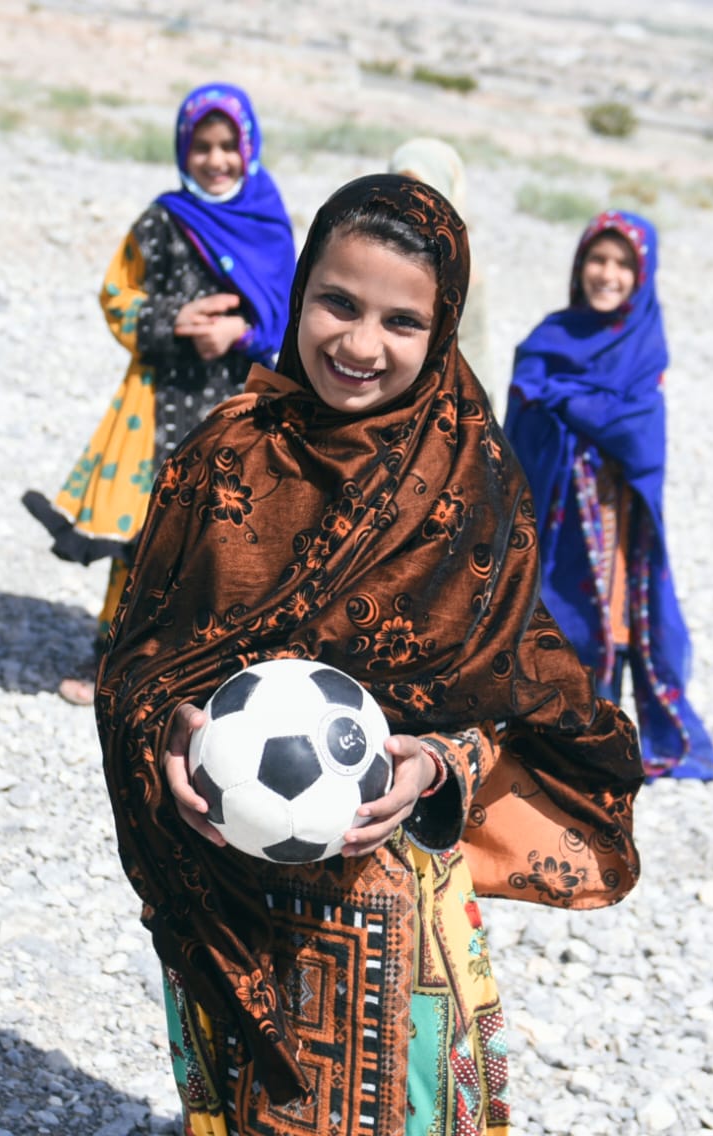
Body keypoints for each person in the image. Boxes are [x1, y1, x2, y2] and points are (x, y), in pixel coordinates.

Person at [96, 175, 644, 1136]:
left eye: (402, 321)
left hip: (395, 896)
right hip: (227, 885)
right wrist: (167, 731)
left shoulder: (469, 480)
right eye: (338, 303)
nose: (359, 345)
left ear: (444, 328)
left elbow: (516, 694)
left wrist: (437, 762)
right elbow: (137, 657)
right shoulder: (224, 456)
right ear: (300, 289)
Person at [23, 83, 296, 706]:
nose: (216, 159)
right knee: (143, 531)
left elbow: (291, 314)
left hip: (241, 404)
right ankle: (115, 661)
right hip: (159, 403)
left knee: (227, 532)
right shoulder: (163, 219)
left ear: (249, 146)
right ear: (182, 149)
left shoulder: (268, 222)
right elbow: (116, 297)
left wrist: (239, 333)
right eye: (202, 146)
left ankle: (201, 671)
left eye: (227, 145)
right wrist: (175, 320)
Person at [504, 210, 713, 781]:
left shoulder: (644, 344)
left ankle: (599, 750)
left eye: (623, 264)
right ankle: (536, 746)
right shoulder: (549, 337)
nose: (607, 273)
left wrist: (567, 405)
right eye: (597, 259)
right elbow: (518, 426)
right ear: (580, 265)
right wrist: (572, 415)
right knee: (543, 621)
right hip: (553, 519)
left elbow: (642, 438)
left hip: (614, 521)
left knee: (607, 629)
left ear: (642, 275)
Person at [389, 137, 501, 411]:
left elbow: (474, 355)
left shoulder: (463, 270)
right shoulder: (372, 250)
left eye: (422, 189)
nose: (410, 200)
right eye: (402, 186)